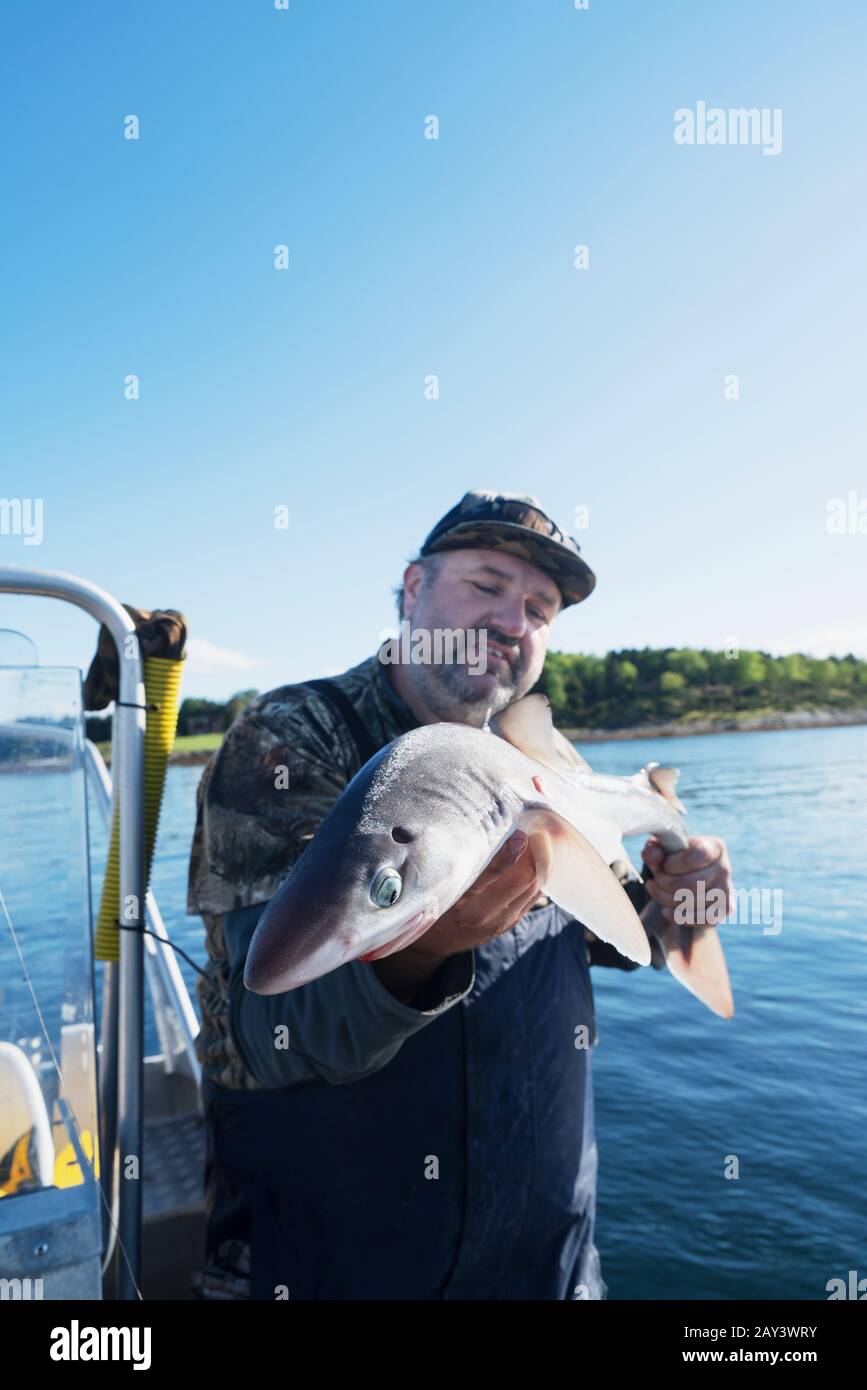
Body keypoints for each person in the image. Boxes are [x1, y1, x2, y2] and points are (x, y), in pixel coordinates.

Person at [186, 489, 733, 1300]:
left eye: (538, 608)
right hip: (333, 1260)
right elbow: (266, 1032)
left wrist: (680, 905)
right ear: (412, 588)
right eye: (485, 585)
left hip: (547, 1255)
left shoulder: (560, 770)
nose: (511, 621)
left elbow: (617, 940)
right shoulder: (291, 737)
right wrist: (426, 947)